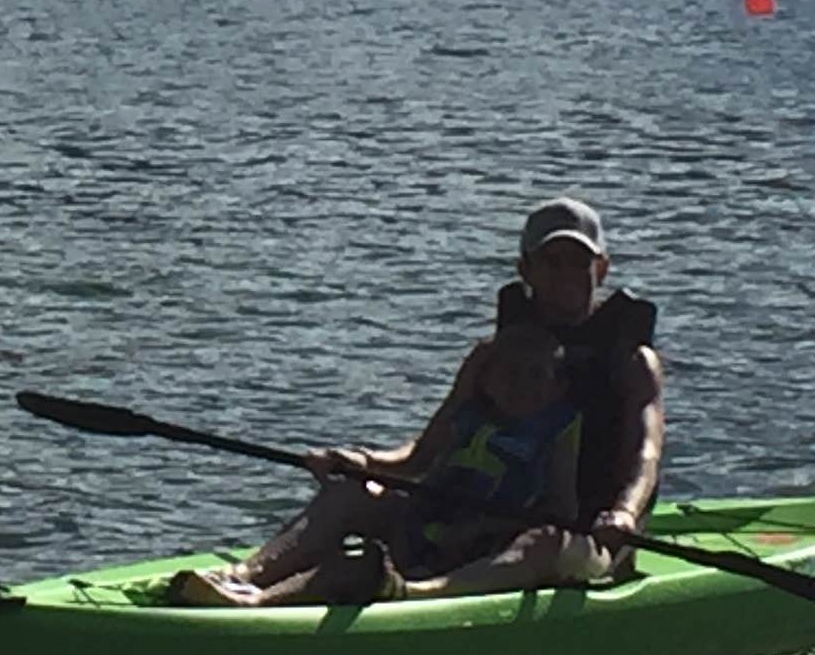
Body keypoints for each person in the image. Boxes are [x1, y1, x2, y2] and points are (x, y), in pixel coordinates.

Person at [168, 198, 666, 606]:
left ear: (601, 269)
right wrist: (362, 462)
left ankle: (416, 594)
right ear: (525, 269)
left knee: (543, 543)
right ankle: (242, 579)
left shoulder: (632, 361)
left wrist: (623, 513)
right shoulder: (492, 356)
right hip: (470, 517)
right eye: (551, 262)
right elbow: (423, 455)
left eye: (578, 263)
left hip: (583, 536)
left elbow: (647, 454)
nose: (565, 276)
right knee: (351, 493)